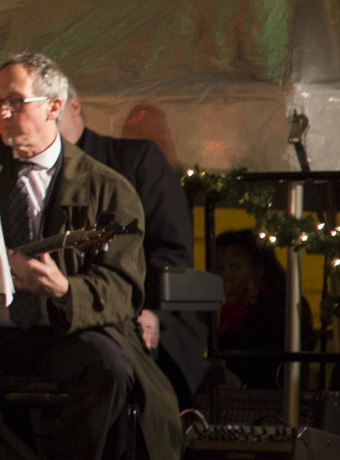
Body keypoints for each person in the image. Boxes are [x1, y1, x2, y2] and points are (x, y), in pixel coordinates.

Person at [0, 52, 182, 460]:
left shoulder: (106, 187)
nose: (3, 113)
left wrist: (64, 289)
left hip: (58, 332)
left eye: (16, 101)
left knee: (110, 367)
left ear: (55, 106)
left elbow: (122, 288)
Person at [58, 100, 207, 406]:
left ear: (71, 107)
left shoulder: (135, 159)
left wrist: (151, 309)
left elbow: (171, 249)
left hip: (141, 310)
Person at [209, 230, 304, 390]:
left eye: (234, 267)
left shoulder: (282, 306)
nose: (225, 276)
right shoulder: (225, 312)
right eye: (220, 269)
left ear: (258, 269)